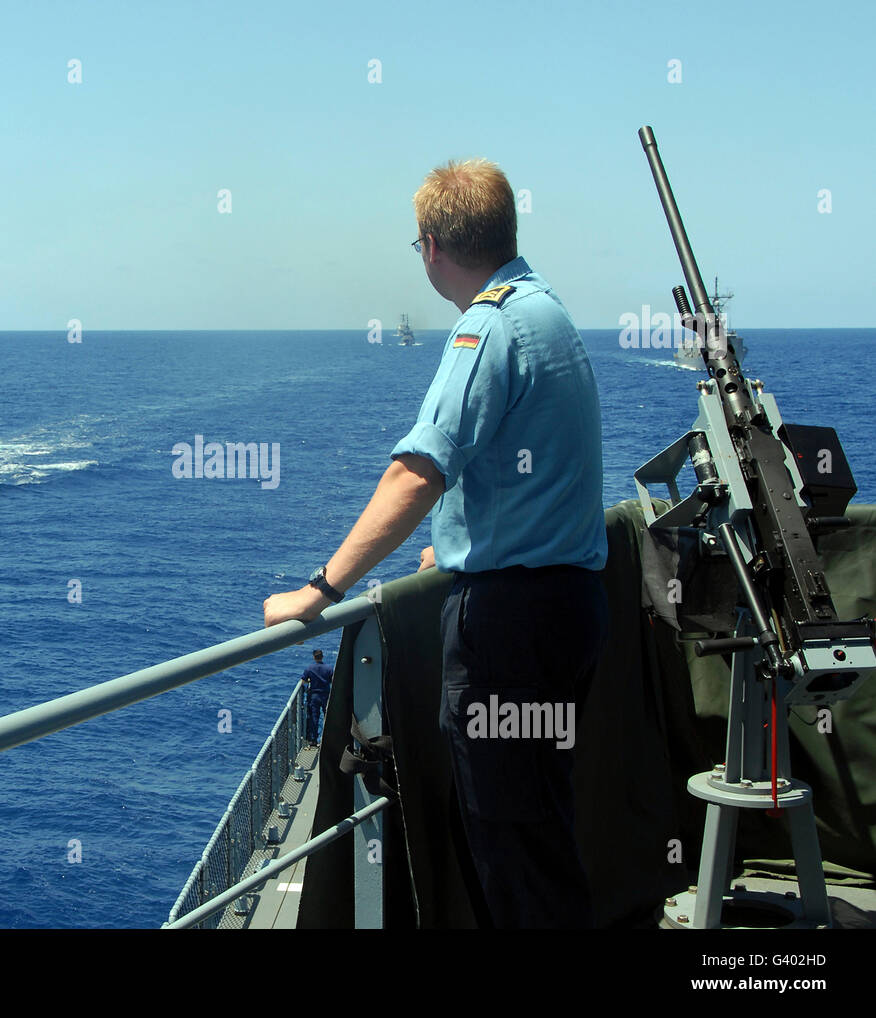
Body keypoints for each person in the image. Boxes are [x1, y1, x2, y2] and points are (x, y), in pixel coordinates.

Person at [263, 158, 608, 929]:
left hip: (511, 631)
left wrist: (321, 590)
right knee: (537, 829)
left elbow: (415, 474)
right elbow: (538, 465)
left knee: (511, 846)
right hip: (566, 608)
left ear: (431, 247)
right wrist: (459, 541)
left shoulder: (486, 328)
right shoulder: (544, 311)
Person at [300, 649, 333, 746]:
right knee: (328, 717)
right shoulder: (329, 668)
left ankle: (313, 740)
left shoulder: (310, 668)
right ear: (322, 656)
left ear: (314, 657)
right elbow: (332, 680)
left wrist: (310, 681)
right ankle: (329, 738)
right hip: (325, 695)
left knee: (314, 717)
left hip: (314, 695)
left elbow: (303, 681)